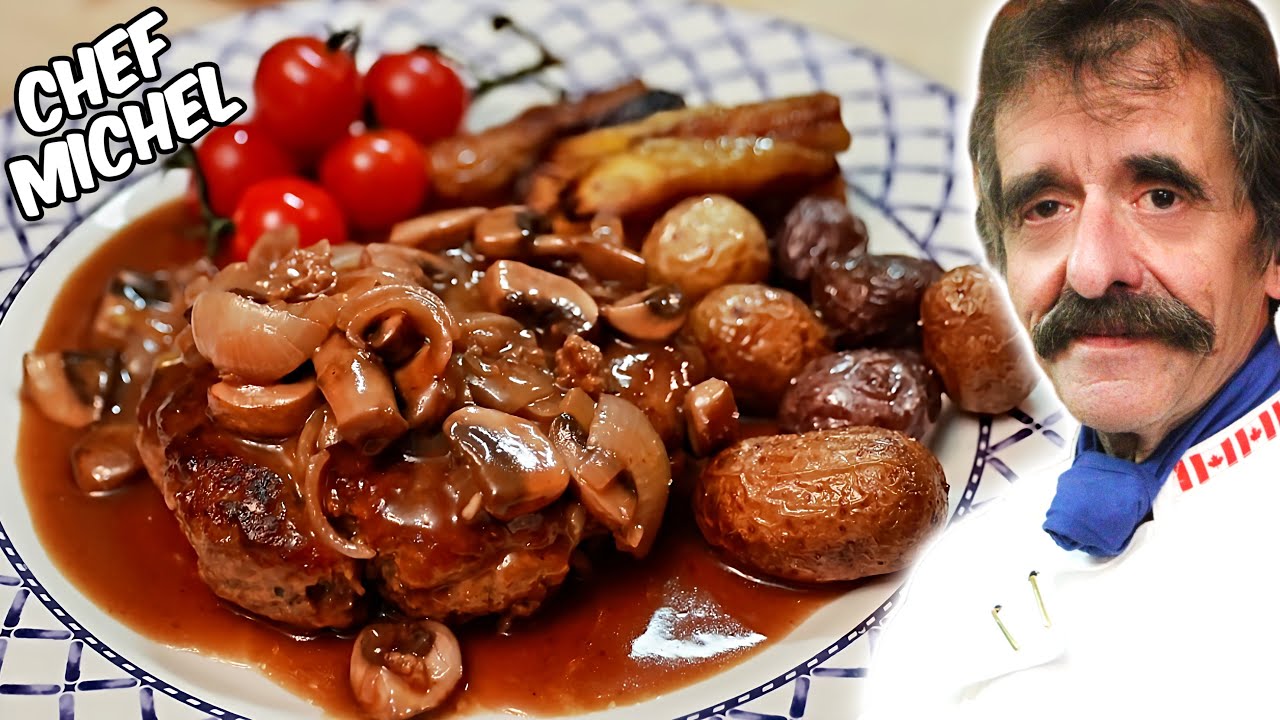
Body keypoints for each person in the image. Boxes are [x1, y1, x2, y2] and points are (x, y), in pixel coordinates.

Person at [861, 1, 1280, 718]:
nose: (1091, 270)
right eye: (1045, 208)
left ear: (1271, 245)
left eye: (1159, 196)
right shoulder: (954, 572)